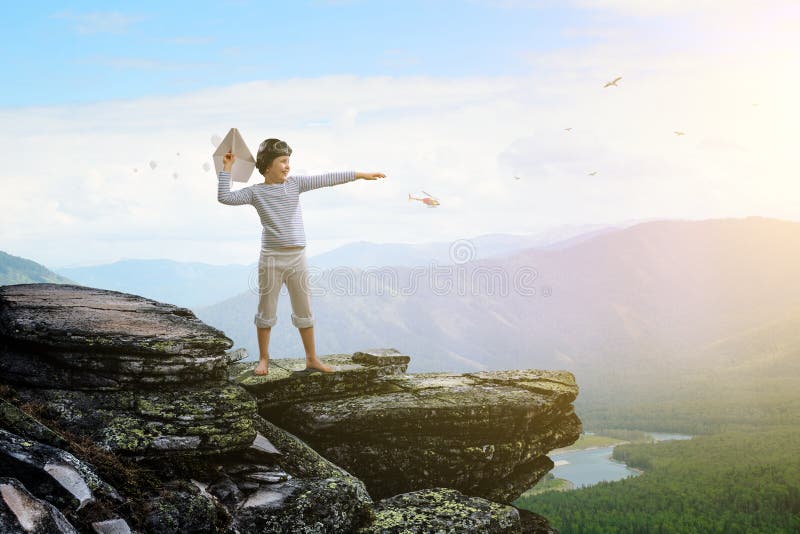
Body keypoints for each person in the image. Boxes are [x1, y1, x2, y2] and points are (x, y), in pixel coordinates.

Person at [217, 138, 386, 376]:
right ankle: (263, 359)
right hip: (271, 259)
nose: (288, 166)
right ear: (267, 165)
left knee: (304, 310)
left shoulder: (295, 185)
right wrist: (227, 168)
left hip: (298, 258)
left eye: (288, 161)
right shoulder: (256, 193)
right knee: (266, 311)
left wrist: (360, 174)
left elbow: (327, 179)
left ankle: (312, 359)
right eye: (283, 161)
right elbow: (225, 197)